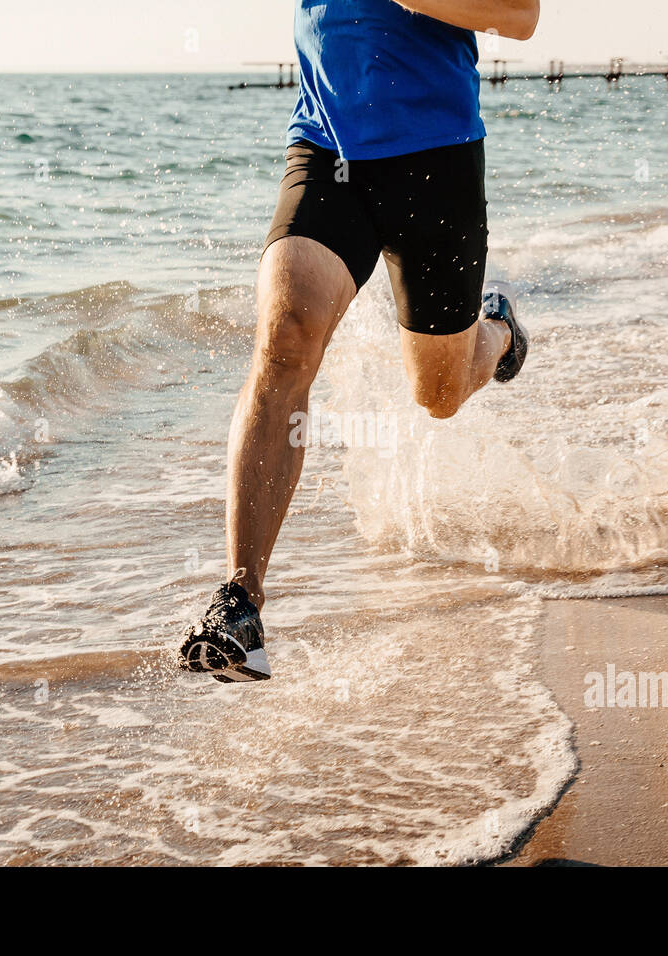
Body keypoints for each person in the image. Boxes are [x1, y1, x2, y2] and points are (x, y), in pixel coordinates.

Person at [179, 0, 540, 681]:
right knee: (284, 344)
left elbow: (521, 16)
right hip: (326, 150)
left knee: (438, 395)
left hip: (438, 160)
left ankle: (496, 331)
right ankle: (240, 602)